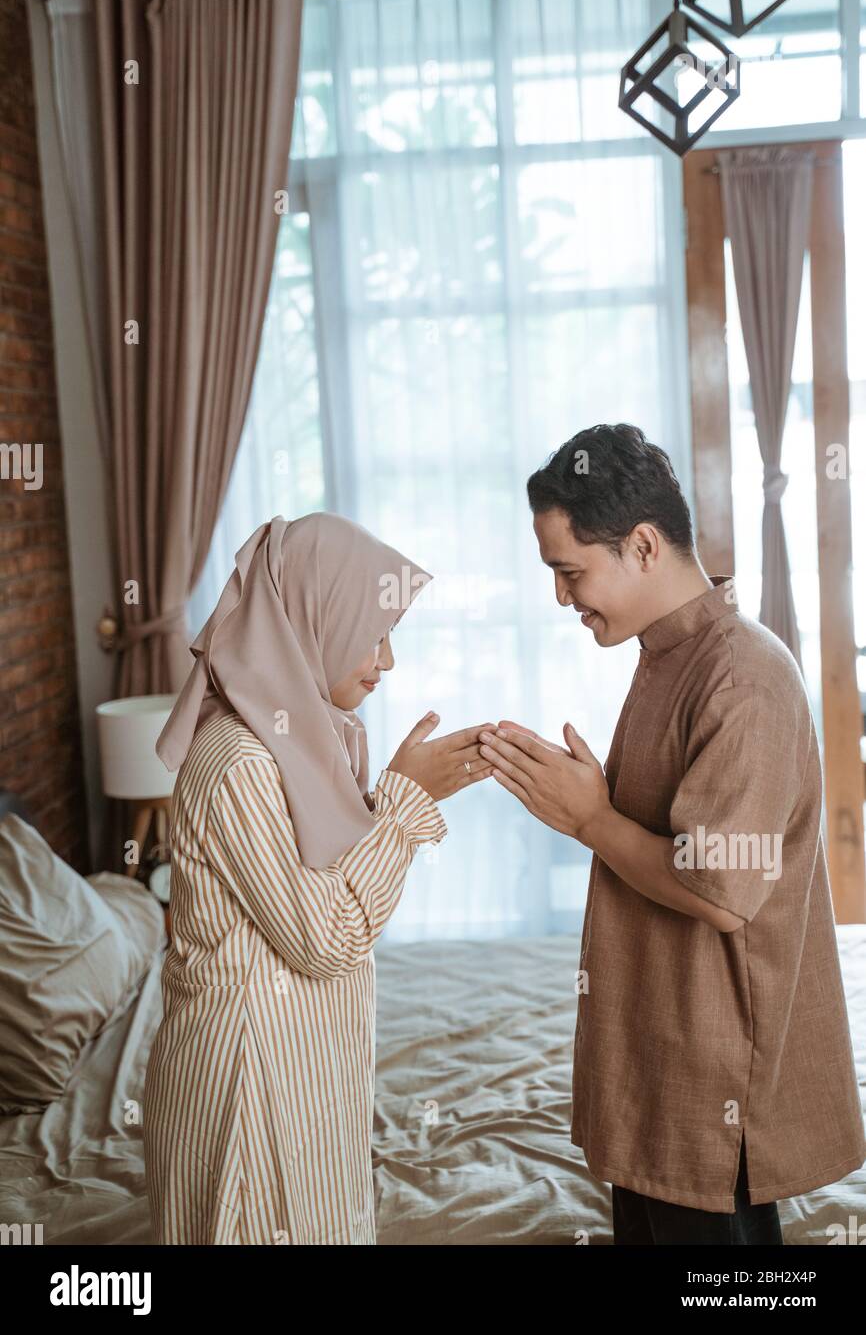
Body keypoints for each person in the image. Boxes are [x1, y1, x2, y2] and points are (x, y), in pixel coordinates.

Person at [478, 423, 866, 1246]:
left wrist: (588, 816)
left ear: (643, 545)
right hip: (661, 1069)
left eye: (570, 572)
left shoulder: (745, 677)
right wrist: (586, 799)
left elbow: (717, 892)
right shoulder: (668, 657)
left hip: (712, 1088)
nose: (561, 598)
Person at [144, 511, 493, 1244]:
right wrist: (401, 804)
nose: (387, 660)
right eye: (375, 632)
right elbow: (327, 935)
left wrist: (392, 799)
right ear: (315, 618)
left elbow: (321, 873)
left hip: (298, 1078)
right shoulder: (239, 763)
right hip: (250, 1088)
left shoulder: (292, 744)